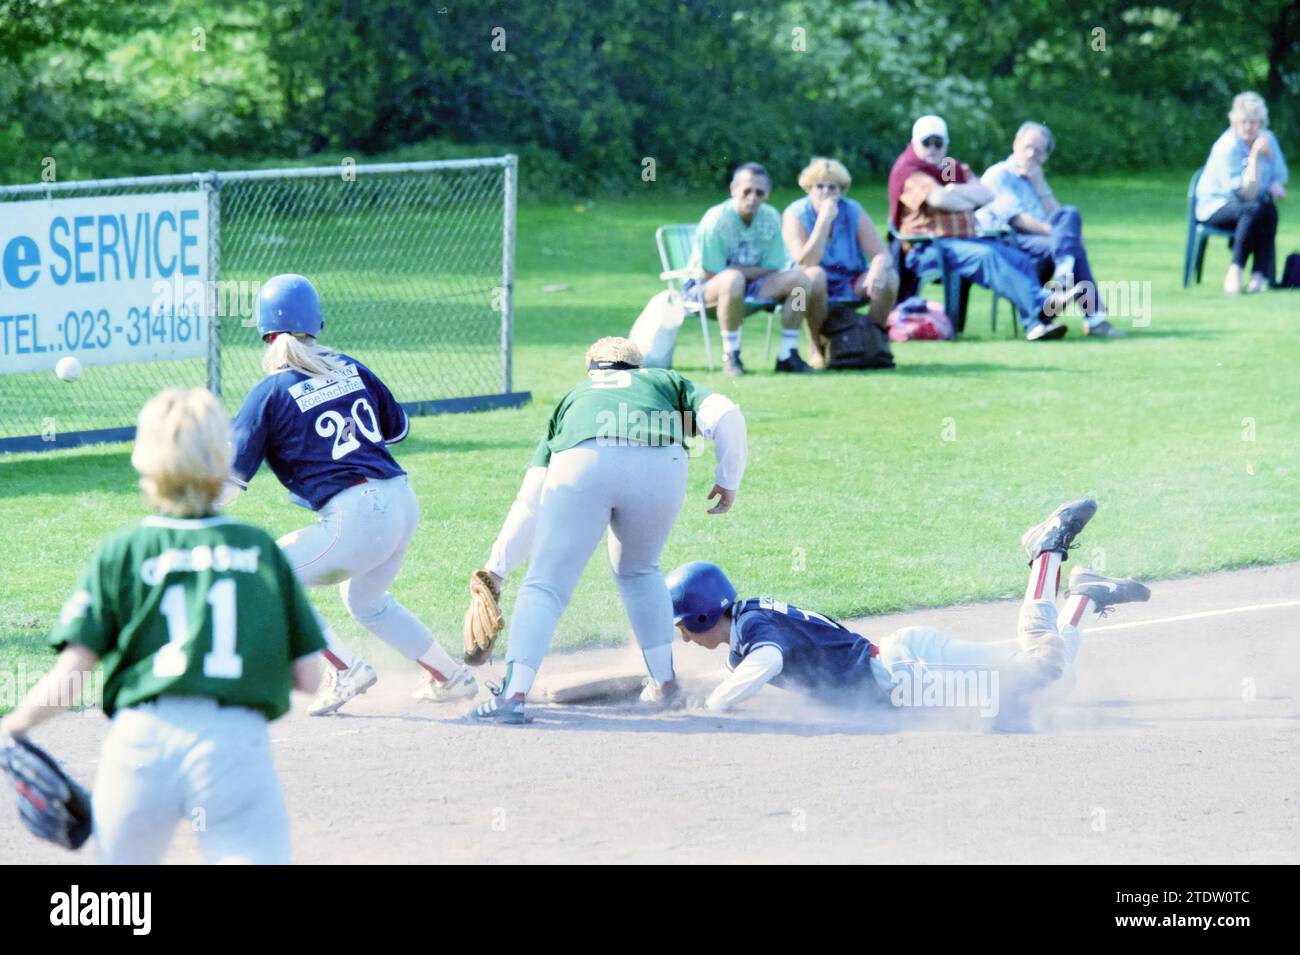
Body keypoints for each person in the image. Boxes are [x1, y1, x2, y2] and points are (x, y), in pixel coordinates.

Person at [0, 388, 326, 863]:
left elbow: (71, 674)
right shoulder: (259, 550)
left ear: (146, 463)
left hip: (141, 744)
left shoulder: (124, 550)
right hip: (233, 746)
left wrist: (13, 726)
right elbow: (310, 677)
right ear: (222, 457)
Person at [219, 274, 476, 716]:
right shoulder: (350, 366)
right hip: (401, 499)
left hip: (358, 514)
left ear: (266, 334)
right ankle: (451, 676)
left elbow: (231, 482)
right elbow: (396, 429)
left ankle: (345, 669)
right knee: (367, 602)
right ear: (316, 323)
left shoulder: (269, 392)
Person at [666, 498, 1150, 729]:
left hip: (905, 673)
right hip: (906, 664)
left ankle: (1046, 555)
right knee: (1047, 685)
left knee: (1037, 672)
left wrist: (712, 702)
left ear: (706, 616)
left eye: (685, 626)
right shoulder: (750, 624)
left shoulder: (753, 630)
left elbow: (767, 662)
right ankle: (1084, 596)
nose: (686, 639)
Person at [466, 336, 747, 724]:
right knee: (639, 569)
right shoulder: (664, 382)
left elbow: (531, 499)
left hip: (583, 460)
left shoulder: (576, 397)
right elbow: (726, 412)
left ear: (591, 369)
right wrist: (728, 477)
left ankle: (512, 696)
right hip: (662, 464)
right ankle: (665, 684)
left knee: (546, 583)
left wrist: (496, 568)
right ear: (639, 368)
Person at [889, 115, 1082, 340]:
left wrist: (955, 192)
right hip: (928, 248)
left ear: (946, 144)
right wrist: (962, 197)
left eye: (938, 143)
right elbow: (940, 199)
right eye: (926, 142)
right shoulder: (910, 170)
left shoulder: (947, 167)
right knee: (987, 256)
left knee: (1018, 259)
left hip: (964, 242)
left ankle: (1035, 325)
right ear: (915, 143)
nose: (932, 148)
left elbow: (986, 193)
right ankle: (1043, 304)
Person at [978, 122, 1123, 337]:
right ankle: (1094, 318)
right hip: (1009, 240)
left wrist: (1039, 183)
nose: (1030, 155)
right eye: (1027, 147)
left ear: (1044, 157)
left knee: (1070, 213)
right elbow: (1017, 220)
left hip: (1042, 243)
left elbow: (1058, 217)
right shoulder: (999, 175)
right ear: (1015, 143)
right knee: (1072, 249)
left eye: (1037, 152)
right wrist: (1065, 239)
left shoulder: (1035, 180)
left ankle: (1065, 272)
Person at [684, 162, 822, 375]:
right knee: (732, 279)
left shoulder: (771, 217)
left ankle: (788, 353)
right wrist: (745, 271)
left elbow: (774, 267)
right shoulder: (716, 219)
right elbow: (712, 273)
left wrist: (740, 270)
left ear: (767, 194)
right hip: (705, 290)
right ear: (733, 189)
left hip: (751, 284)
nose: (753, 197)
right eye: (747, 191)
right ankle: (731, 355)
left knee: (801, 281)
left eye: (759, 192)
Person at [782, 157, 899, 364]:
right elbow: (806, 262)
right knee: (814, 276)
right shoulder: (795, 214)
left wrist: (878, 267)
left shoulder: (853, 210)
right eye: (819, 186)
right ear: (809, 189)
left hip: (849, 281)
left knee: (889, 277)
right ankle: (815, 346)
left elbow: (882, 254)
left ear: (842, 191)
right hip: (803, 290)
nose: (826, 192)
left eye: (832, 188)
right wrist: (824, 221)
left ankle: (871, 339)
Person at [1195, 92, 1288, 294]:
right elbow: (1244, 194)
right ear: (1235, 122)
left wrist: (1275, 183)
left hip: (1250, 207)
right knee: (1254, 210)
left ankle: (1259, 276)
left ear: (1261, 123)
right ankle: (1235, 270)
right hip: (1216, 207)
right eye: (1244, 122)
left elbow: (1280, 173)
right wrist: (1254, 156)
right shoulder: (1227, 146)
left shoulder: (1268, 139)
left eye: (1254, 122)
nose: (1248, 127)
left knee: (1269, 211)